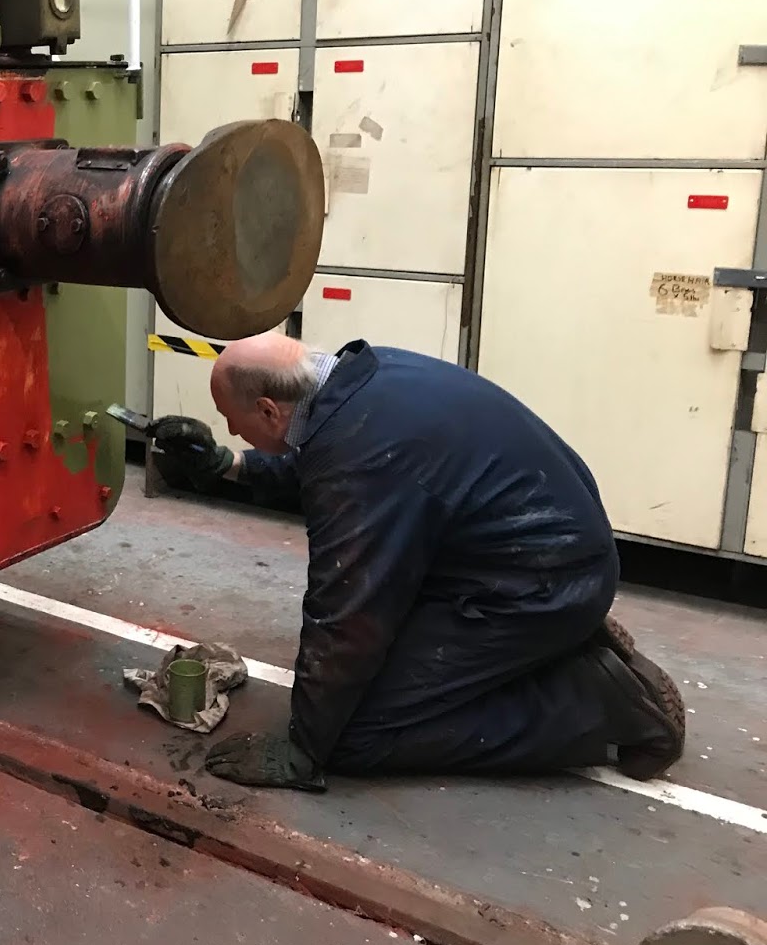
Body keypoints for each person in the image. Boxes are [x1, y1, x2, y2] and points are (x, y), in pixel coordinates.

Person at [151, 333, 685, 791]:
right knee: (373, 679)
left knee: (355, 734)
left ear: (270, 409)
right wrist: (227, 467)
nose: (233, 432)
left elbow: (348, 612)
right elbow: (326, 465)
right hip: (535, 559)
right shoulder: (360, 382)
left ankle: (603, 702)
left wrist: (306, 750)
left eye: (232, 423)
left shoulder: (359, 458)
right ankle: (555, 646)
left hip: (538, 587)